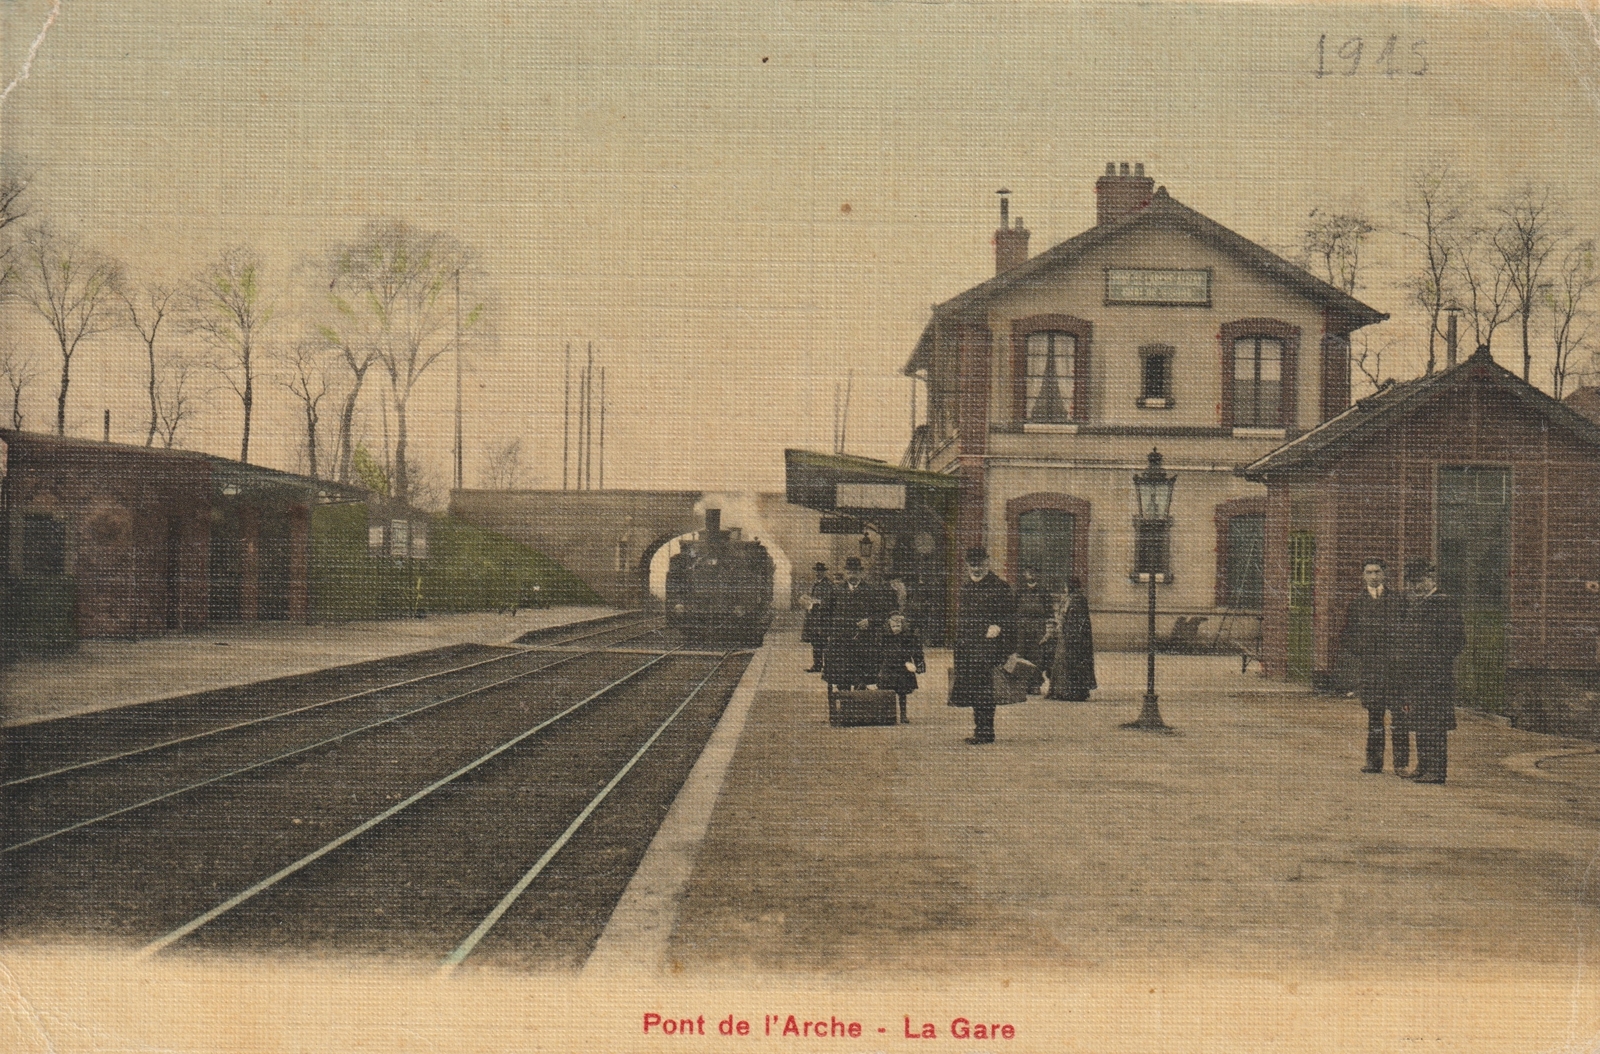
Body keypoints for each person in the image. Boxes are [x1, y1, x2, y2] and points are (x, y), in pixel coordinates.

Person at [1399, 559, 1465, 784]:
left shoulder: (1445, 604)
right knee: (1419, 721)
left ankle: (1437, 770)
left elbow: (1456, 641)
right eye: (1412, 583)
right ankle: (1423, 765)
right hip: (1417, 674)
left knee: (1434, 724)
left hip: (1436, 675)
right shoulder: (1418, 604)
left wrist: (1435, 660)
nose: (1415, 587)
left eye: (1419, 582)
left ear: (1431, 580)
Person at [1337, 559, 1406, 774]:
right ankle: (1374, 762)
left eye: (1377, 572)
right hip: (1371, 669)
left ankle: (1401, 764)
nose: (1374, 576)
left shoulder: (1397, 600)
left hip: (1395, 670)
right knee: (1374, 716)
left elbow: (1407, 632)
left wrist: (1399, 654)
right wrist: (1363, 651)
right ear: (1363, 576)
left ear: (1385, 574)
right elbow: (1347, 635)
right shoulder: (1357, 603)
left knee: (1399, 717)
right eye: (1369, 572)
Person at [949, 546, 1016, 744]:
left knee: (985, 691)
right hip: (968, 649)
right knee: (973, 691)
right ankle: (980, 729)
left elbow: (1011, 620)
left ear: (987, 562)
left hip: (989, 650)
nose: (976, 569)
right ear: (967, 565)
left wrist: (1001, 631)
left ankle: (986, 731)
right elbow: (962, 621)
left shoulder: (1000, 587)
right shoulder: (966, 587)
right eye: (972, 565)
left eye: (979, 565)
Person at [823, 556, 893, 690]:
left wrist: (870, 621)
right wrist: (830, 633)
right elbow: (826, 614)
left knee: (861, 680)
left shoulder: (871, 591)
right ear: (845, 573)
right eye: (849, 572)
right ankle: (844, 706)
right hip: (841, 643)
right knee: (842, 679)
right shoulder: (836, 591)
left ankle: (857, 706)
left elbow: (884, 613)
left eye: (855, 572)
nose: (852, 575)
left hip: (863, 643)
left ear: (861, 573)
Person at [1045, 577, 1097, 701]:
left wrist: (1070, 633)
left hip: (1075, 639)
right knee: (1061, 663)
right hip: (1066, 636)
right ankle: (1060, 691)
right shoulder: (1068, 599)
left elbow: (1078, 621)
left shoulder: (1078, 600)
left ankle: (1072, 692)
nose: (1064, 588)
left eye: (1066, 586)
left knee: (1072, 664)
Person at [876, 611, 926, 723]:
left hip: (903, 664)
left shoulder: (907, 634)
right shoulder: (883, 634)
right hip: (888, 664)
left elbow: (916, 648)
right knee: (886, 690)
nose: (896, 627)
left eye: (898, 623)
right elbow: (878, 649)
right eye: (893, 623)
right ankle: (888, 714)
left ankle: (903, 714)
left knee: (902, 691)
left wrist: (918, 663)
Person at [1013, 567, 1052, 694]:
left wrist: (1048, 631)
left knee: (1037, 656)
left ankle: (1035, 684)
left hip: (1038, 627)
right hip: (1021, 627)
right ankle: (1022, 684)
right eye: (1028, 573)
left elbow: (1050, 613)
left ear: (1038, 575)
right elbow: (1012, 610)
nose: (1030, 575)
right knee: (1021, 654)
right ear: (1024, 574)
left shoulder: (1044, 592)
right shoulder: (1019, 591)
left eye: (1033, 573)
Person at [800, 562, 833, 672]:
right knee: (815, 642)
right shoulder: (815, 584)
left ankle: (827, 666)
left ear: (824, 572)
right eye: (816, 571)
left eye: (820, 571)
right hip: (814, 618)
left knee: (823, 642)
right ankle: (817, 665)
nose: (818, 573)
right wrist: (807, 601)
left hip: (823, 618)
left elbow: (828, 601)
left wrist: (815, 603)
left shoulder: (828, 585)